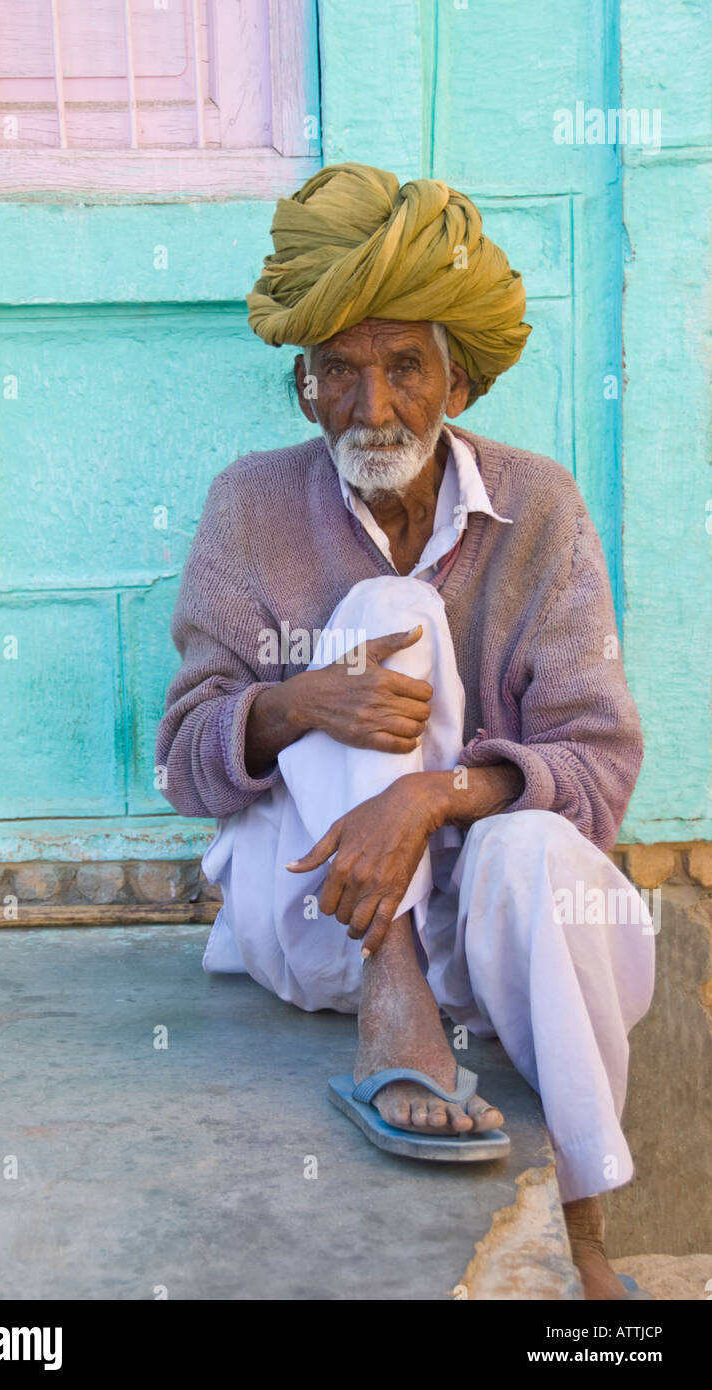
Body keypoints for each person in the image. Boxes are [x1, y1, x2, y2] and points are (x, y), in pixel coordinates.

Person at [156, 163, 654, 1300]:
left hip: (497, 944)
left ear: (460, 383)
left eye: (403, 369)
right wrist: (292, 705)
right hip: (321, 919)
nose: (371, 410)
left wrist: (432, 795)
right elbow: (186, 758)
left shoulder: (542, 508)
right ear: (303, 388)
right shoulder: (252, 504)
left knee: (530, 845)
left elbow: (599, 768)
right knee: (386, 619)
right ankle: (394, 1010)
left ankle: (588, 1231)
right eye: (339, 371)